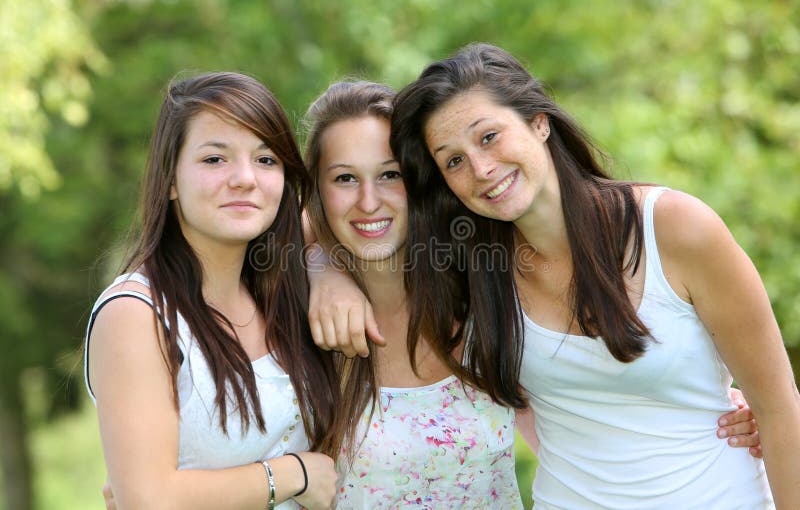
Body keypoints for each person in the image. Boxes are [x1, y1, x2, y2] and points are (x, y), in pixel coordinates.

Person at [385, 43, 798, 508]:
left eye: (489, 137)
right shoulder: (477, 272)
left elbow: (780, 408)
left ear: (539, 122)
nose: (481, 169)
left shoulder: (674, 229)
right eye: (453, 161)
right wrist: (327, 281)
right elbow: (327, 233)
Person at [85, 72, 340, 510]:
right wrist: (295, 474)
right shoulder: (137, 313)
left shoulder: (274, 286)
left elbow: (359, 217)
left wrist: (330, 269)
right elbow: (150, 501)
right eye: (214, 160)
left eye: (265, 159)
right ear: (169, 180)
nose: (244, 179)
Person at [302, 80, 523, 508]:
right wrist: (318, 264)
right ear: (317, 191)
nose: (369, 202)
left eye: (390, 174)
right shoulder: (297, 318)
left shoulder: (485, 289)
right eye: (345, 178)